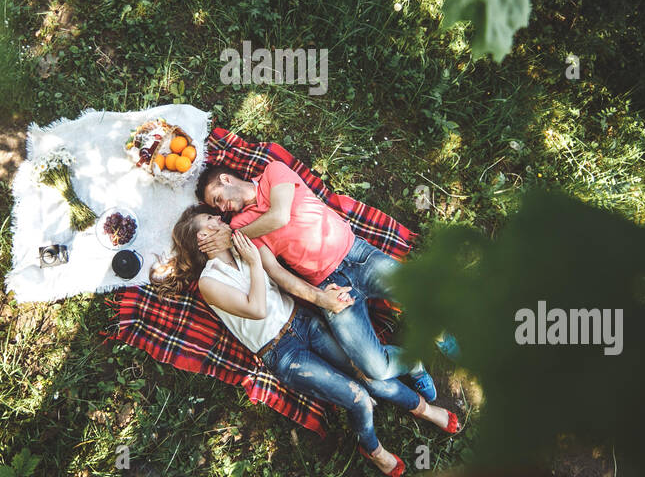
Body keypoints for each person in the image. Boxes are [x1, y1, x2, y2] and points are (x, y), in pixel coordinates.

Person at [153, 205, 458, 477]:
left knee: (370, 375)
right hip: (281, 353)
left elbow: (277, 260)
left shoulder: (243, 245)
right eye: (211, 218)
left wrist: (318, 294)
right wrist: (253, 263)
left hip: (305, 323)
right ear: (202, 236)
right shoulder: (210, 281)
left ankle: (423, 409)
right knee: (358, 399)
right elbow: (256, 309)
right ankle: (373, 448)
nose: (220, 218)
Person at [196, 162, 457, 395]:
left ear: (226, 180)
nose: (221, 209)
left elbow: (280, 215)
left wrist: (231, 237)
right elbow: (275, 272)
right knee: (375, 368)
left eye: (218, 199)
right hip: (330, 285)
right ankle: (412, 363)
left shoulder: (273, 172)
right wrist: (321, 298)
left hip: (357, 255)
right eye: (215, 207)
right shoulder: (242, 227)